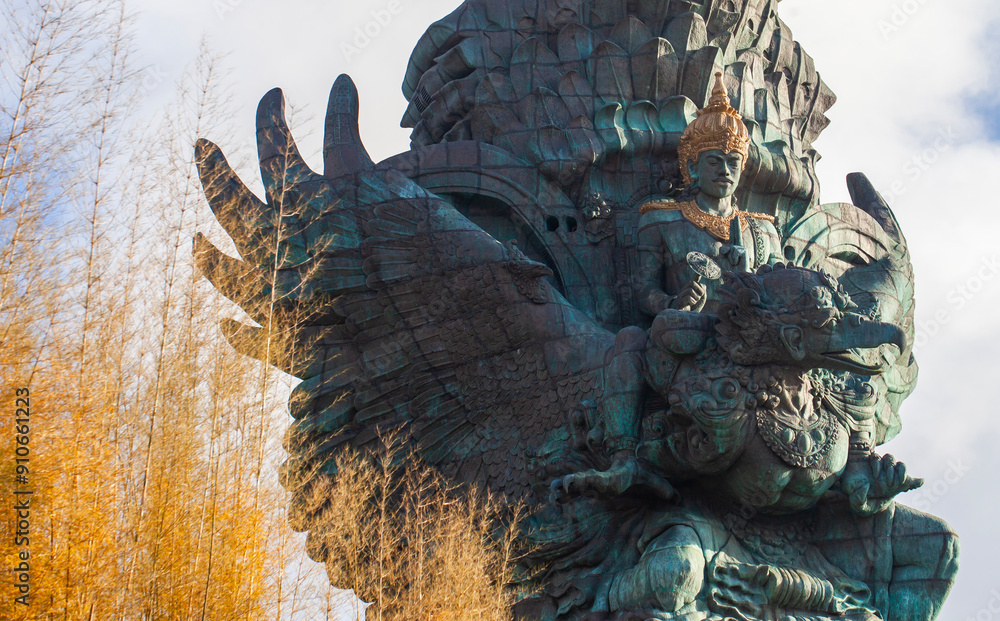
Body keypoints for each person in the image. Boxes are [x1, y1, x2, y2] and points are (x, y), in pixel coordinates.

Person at [636, 72, 781, 315]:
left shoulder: (764, 231)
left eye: (733, 163)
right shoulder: (660, 221)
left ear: (741, 170)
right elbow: (644, 291)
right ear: (693, 168)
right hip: (689, 327)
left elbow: (782, 299)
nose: (725, 171)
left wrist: (748, 278)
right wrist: (673, 303)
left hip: (752, 331)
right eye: (714, 162)